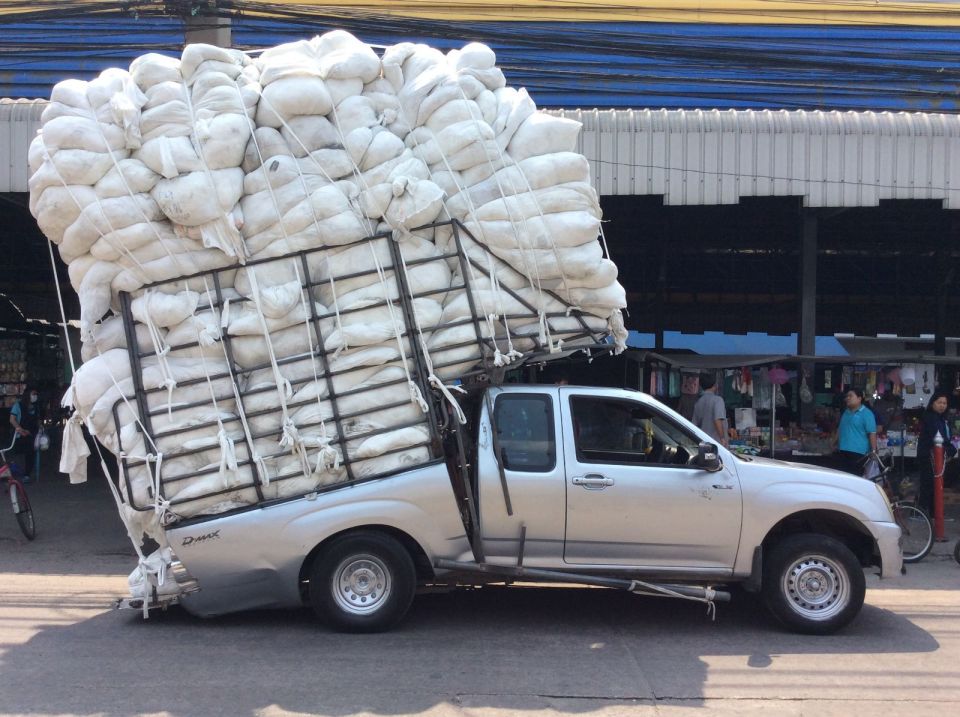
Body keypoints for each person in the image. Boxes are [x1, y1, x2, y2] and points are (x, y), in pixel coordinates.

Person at [916, 390, 956, 516]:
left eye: (944, 403)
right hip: (928, 455)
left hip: (936, 456)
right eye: (939, 402)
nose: (942, 405)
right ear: (933, 403)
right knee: (927, 484)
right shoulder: (930, 416)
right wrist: (951, 449)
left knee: (935, 485)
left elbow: (944, 436)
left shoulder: (941, 418)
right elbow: (937, 436)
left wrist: (949, 448)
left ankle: (934, 513)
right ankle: (920, 513)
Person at [836, 388, 877, 475]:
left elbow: (872, 433)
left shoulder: (867, 414)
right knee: (843, 477)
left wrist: (873, 451)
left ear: (859, 398)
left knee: (855, 478)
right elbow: (840, 429)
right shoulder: (846, 412)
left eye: (850, 396)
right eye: (847, 396)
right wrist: (834, 444)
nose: (847, 398)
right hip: (843, 450)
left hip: (858, 453)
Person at [9, 386, 40, 482]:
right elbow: (12, 419)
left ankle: (27, 475)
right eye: (33, 394)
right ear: (27, 395)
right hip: (20, 435)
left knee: (31, 454)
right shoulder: (18, 405)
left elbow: (38, 420)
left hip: (32, 435)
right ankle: (15, 473)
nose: (35, 396)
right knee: (19, 454)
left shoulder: (36, 407)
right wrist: (19, 429)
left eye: (36, 394)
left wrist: (40, 427)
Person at [692, 372, 728, 447]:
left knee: (707, 458)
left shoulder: (698, 402)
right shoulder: (718, 400)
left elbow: (694, 424)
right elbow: (717, 420)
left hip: (703, 443)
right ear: (714, 385)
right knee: (716, 459)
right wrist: (722, 439)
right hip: (716, 443)